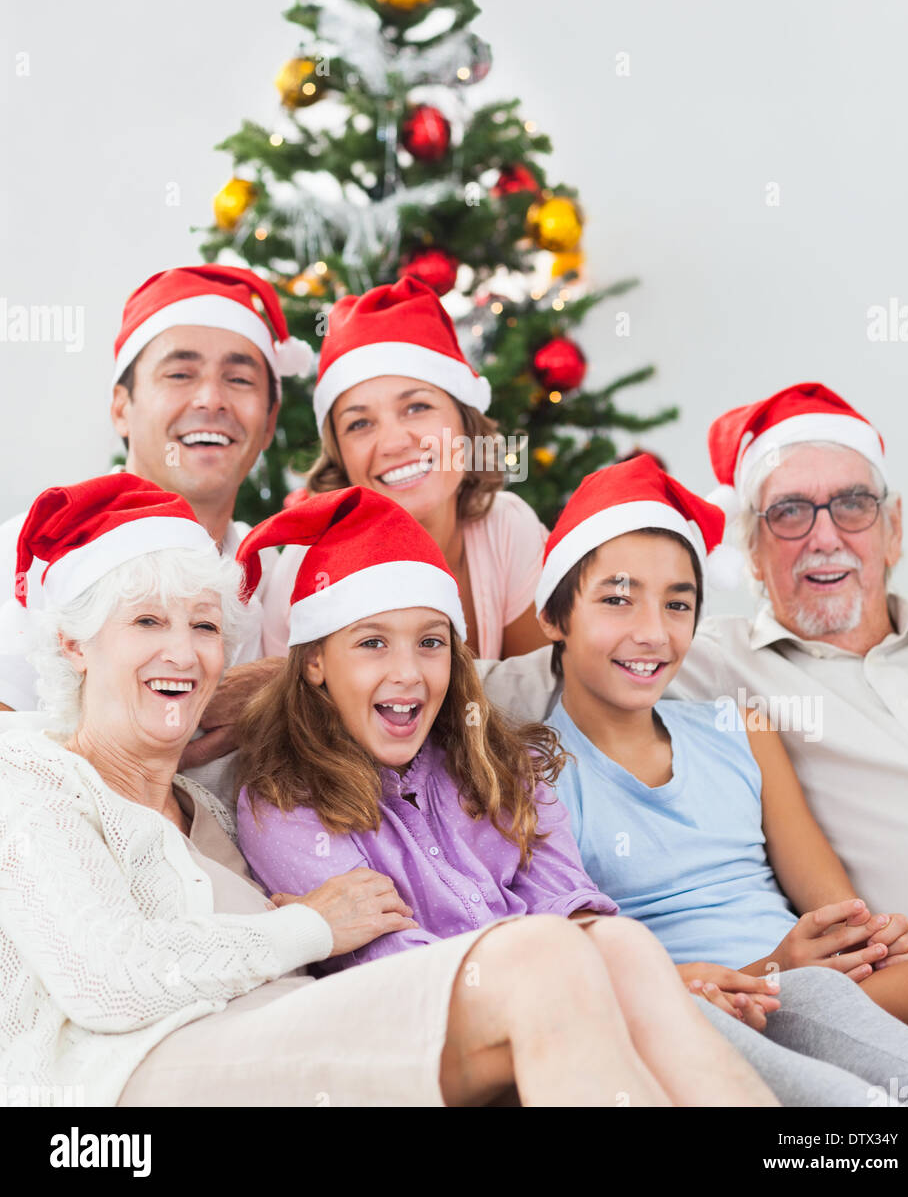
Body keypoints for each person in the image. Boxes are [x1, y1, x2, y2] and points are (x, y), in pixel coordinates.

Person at [0, 473, 777, 1109]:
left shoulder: (203, 809)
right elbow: (110, 980)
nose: (184, 653)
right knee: (538, 955)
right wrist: (307, 927)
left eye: (204, 627)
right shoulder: (29, 774)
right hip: (117, 1087)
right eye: (146, 623)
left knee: (622, 947)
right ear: (73, 643)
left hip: (296, 1042)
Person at [529, 454, 908, 1094]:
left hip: (816, 983)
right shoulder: (532, 773)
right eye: (617, 600)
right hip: (704, 1007)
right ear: (554, 618)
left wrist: (872, 938)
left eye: (677, 604)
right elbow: (581, 975)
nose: (651, 632)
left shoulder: (740, 730)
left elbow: (838, 912)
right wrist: (775, 968)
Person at [479, 383, 908, 946]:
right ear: (751, 549)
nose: (825, 537)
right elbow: (464, 684)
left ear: (893, 527)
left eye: (852, 504)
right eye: (790, 512)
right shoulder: (715, 664)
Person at [231, 485, 618, 975]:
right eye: (373, 643)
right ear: (314, 662)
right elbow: (395, 965)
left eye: (430, 642)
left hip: (564, 987)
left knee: (635, 958)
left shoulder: (502, 766)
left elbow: (569, 903)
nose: (409, 673)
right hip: (438, 1024)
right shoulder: (285, 803)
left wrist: (617, 966)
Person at [0, 263, 315, 794]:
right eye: (179, 373)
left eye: (239, 379)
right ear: (121, 407)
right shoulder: (30, 553)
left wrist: (284, 685)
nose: (211, 399)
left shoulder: (287, 582)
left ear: (268, 424)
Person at [260, 276, 549, 661]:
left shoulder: (508, 528)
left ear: (465, 423)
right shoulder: (305, 572)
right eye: (359, 424)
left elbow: (539, 698)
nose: (394, 443)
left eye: (417, 407)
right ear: (340, 457)